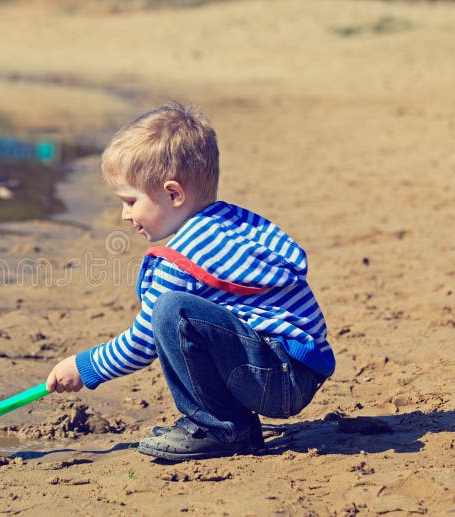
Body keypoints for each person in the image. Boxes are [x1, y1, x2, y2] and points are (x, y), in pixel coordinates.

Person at [46, 102, 335, 461]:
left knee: (172, 312)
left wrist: (84, 366)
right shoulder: (230, 223)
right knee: (194, 316)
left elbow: (143, 342)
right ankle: (233, 422)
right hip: (299, 370)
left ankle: (220, 428)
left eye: (130, 201)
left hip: (277, 379)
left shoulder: (182, 259)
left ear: (173, 194)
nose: (124, 215)